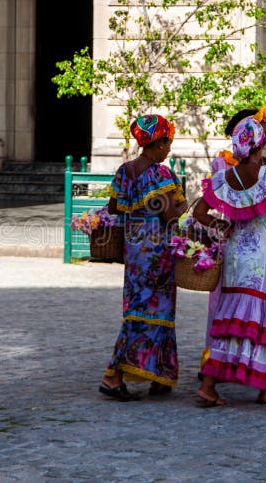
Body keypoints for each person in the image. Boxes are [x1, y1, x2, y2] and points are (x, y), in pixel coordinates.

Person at [192, 107, 266, 406]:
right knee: (259, 316)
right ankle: (254, 384)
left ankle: (251, 385)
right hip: (260, 257)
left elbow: (198, 212)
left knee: (231, 316)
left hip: (234, 256)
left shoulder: (225, 177)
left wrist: (221, 225)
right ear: (261, 143)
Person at [99, 114, 188, 401]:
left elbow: (113, 208)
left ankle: (160, 376)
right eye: (168, 143)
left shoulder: (125, 172)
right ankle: (112, 376)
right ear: (158, 143)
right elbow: (169, 215)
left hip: (134, 250)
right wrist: (186, 206)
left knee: (138, 309)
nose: (170, 148)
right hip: (157, 251)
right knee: (155, 312)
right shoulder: (160, 175)